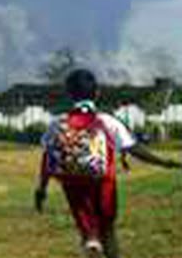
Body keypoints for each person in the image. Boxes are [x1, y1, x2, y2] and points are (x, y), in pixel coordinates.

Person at [36, 69, 182, 258]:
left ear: (69, 94)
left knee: (88, 230)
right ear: (97, 93)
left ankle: (91, 242)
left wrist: (42, 189)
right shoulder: (107, 121)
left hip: (73, 184)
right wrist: (164, 162)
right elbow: (134, 149)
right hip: (104, 184)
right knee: (108, 230)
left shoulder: (57, 124)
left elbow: (48, 158)